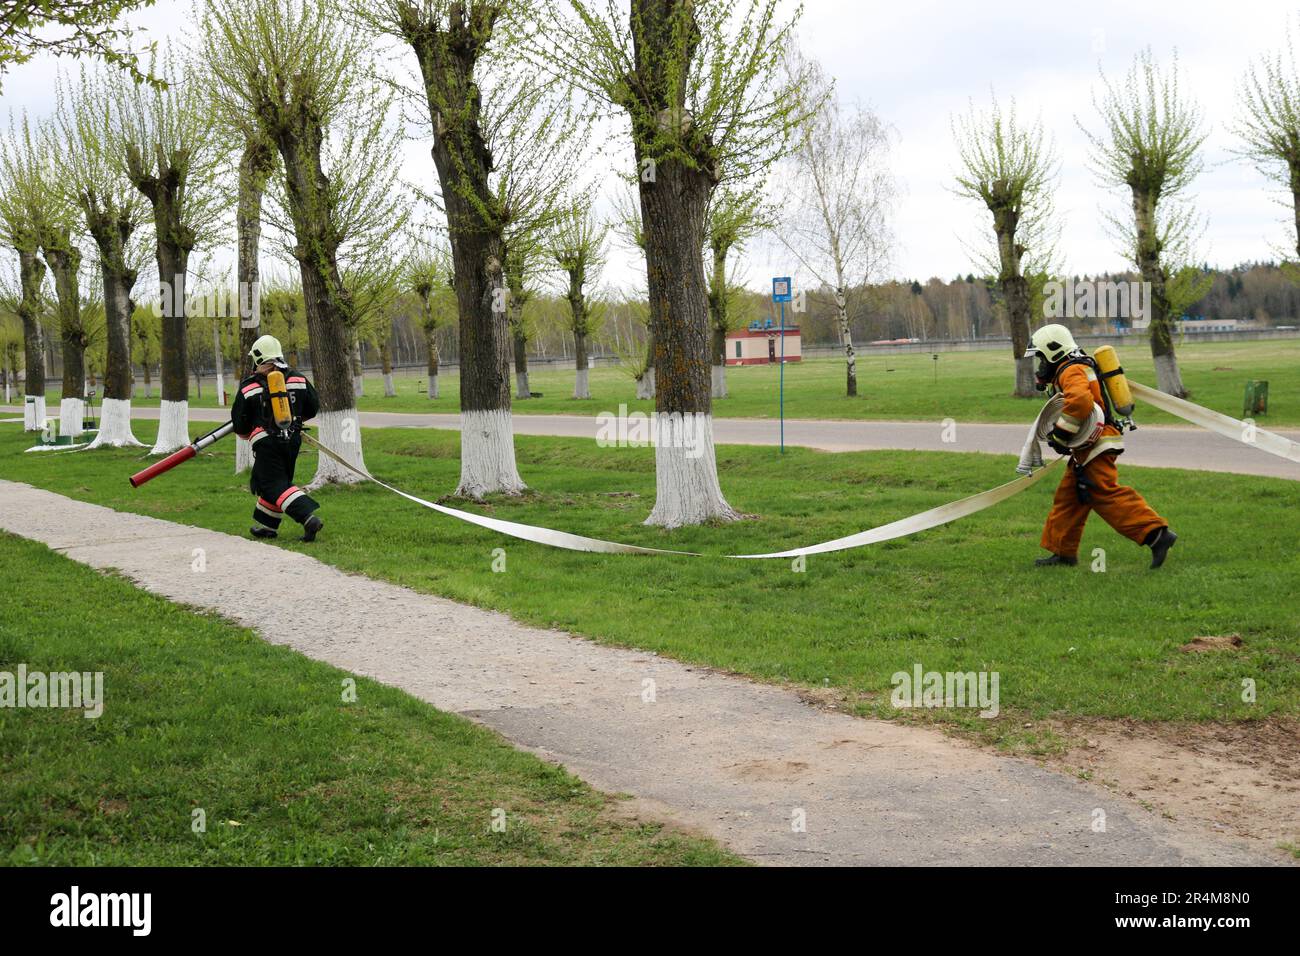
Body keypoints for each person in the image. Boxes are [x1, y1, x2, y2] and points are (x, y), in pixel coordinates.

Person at [1026, 324, 1177, 568]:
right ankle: (1063, 553)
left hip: (1097, 445)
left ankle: (1156, 535)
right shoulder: (1073, 366)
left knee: (1104, 493)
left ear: (1054, 351)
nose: (1040, 365)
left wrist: (1060, 435)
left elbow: (1080, 402)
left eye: (1042, 358)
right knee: (1070, 498)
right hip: (1088, 446)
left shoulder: (1071, 370)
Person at [230, 334, 324, 542]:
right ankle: (268, 527)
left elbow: (240, 424)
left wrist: (249, 434)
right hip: (293, 441)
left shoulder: (249, 386)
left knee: (271, 484)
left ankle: (308, 518)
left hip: (267, 444)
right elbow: (312, 407)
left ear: (258, 358)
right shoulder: (298, 378)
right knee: (278, 482)